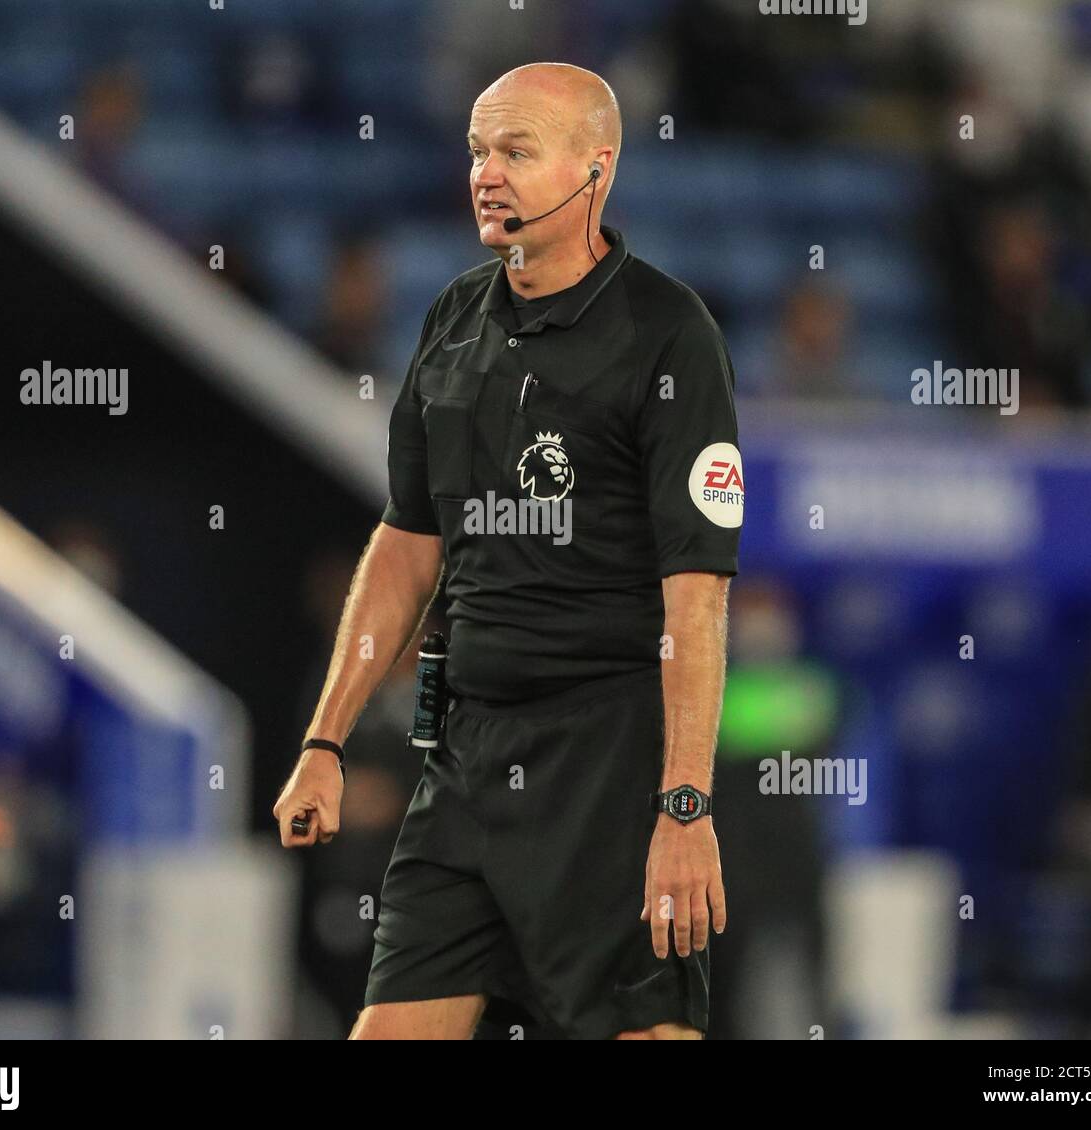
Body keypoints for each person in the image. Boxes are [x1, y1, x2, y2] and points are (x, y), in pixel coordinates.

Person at [274, 63, 744, 1040]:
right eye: (478, 151)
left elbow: (695, 599)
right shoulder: (452, 321)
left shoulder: (668, 336)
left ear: (594, 169)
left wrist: (684, 805)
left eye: (516, 151)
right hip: (466, 762)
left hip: (610, 774)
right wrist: (325, 740)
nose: (486, 174)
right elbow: (405, 546)